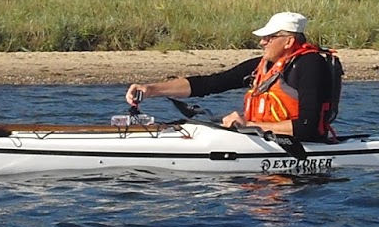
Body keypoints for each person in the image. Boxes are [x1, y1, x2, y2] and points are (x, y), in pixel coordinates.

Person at [124, 11, 340, 142]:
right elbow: (211, 83)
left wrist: (248, 124)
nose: (262, 42)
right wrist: (151, 90)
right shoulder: (262, 66)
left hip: (298, 151)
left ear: (288, 41)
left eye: (269, 37)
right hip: (263, 139)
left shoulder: (311, 65)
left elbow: (307, 127)